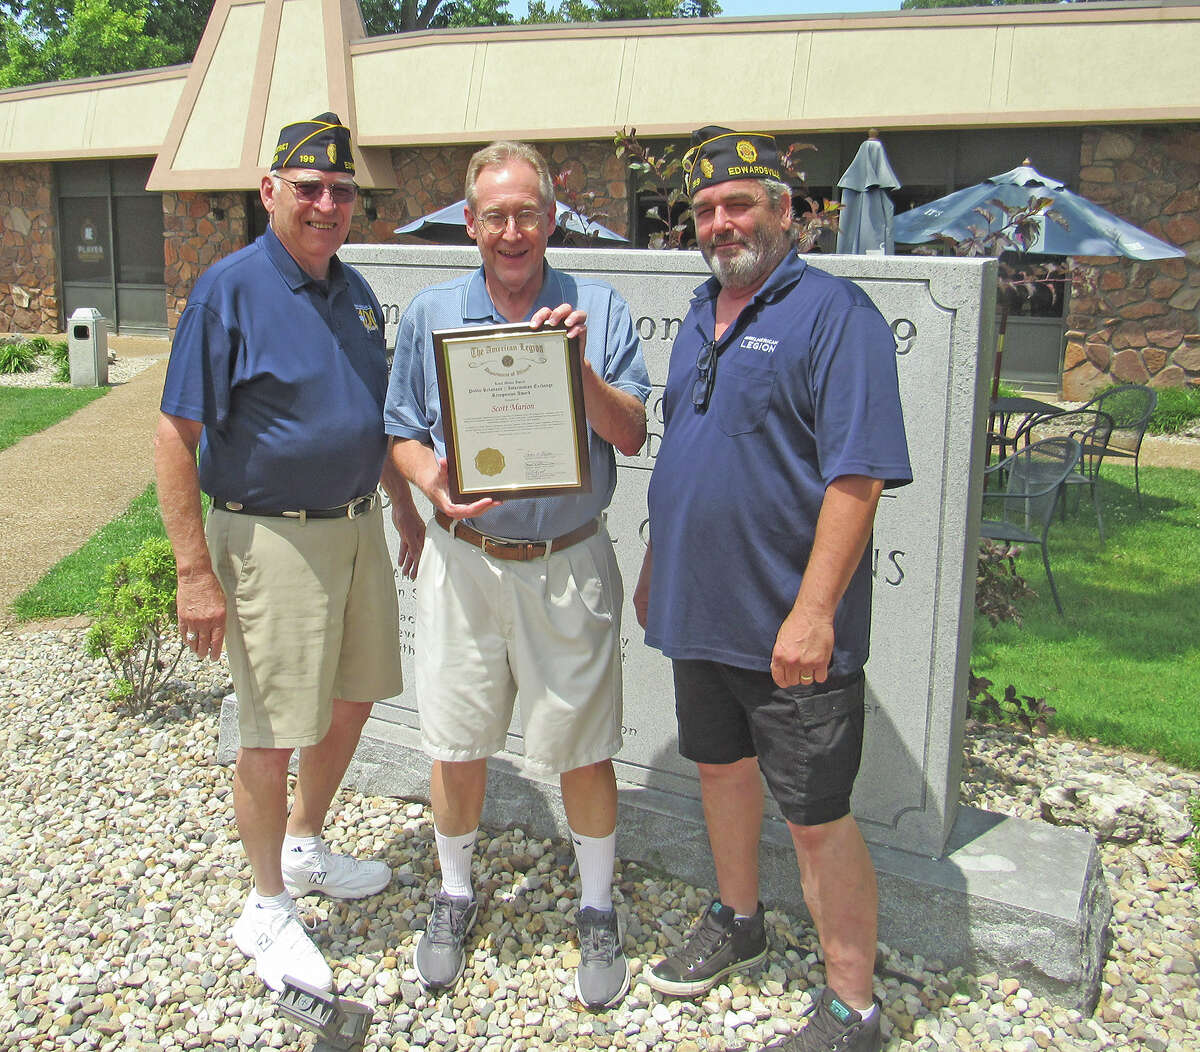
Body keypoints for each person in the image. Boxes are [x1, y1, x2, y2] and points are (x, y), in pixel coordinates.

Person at [633, 127, 912, 1052]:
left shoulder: (837, 315)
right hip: (700, 609)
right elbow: (685, 453)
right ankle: (739, 919)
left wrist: (815, 611)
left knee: (816, 814)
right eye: (706, 210)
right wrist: (653, 563)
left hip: (791, 630)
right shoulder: (695, 315)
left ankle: (853, 1005)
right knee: (720, 770)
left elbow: (858, 475)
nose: (721, 222)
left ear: (785, 213)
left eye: (740, 203)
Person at [155, 112, 424, 994]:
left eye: (342, 191)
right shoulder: (228, 290)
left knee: (354, 698)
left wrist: (404, 507)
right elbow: (175, 431)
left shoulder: (354, 293)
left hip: (353, 527)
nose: (326, 204)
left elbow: (371, 415)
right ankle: (266, 908)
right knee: (272, 732)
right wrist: (195, 571)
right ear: (269, 190)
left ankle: (303, 844)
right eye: (308, 188)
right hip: (269, 536)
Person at [384, 140, 649, 1009]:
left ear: (551, 220)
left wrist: (578, 370)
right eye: (494, 215)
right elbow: (403, 433)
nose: (511, 231)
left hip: (566, 560)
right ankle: (456, 893)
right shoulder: (432, 314)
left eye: (526, 214)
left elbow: (631, 433)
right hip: (468, 564)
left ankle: (598, 906)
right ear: (471, 222)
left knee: (582, 745)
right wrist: (433, 487)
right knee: (456, 740)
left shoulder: (596, 308)